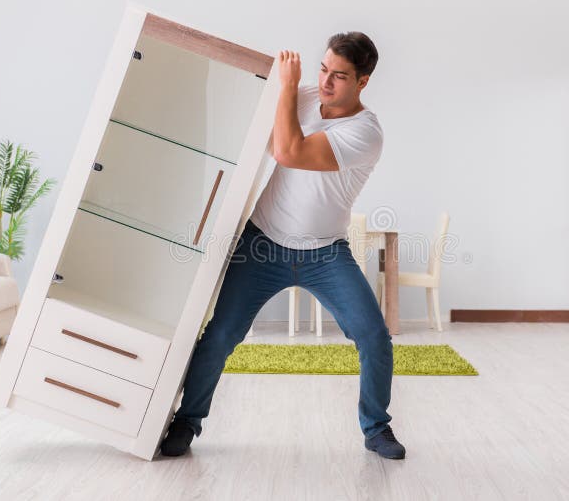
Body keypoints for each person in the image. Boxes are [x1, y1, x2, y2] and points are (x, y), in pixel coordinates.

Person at [160, 32, 405, 460]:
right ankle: (187, 421)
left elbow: (289, 152)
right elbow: (267, 134)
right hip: (262, 243)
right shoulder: (304, 96)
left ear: (363, 81)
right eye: (323, 69)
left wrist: (288, 88)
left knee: (373, 336)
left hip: (325, 253)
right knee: (221, 334)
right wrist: (287, 94)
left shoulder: (366, 132)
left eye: (339, 76)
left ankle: (376, 428)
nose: (325, 82)